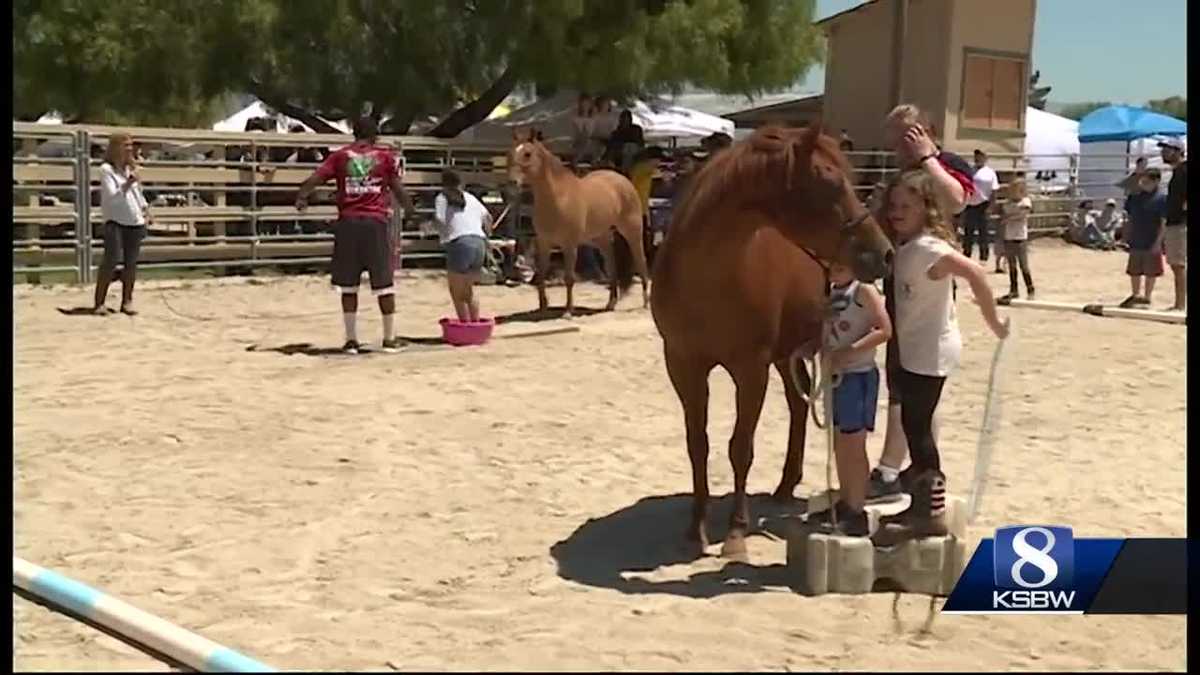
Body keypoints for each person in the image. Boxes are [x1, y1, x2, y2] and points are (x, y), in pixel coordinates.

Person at [874, 169, 1008, 537]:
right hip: (910, 347)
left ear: (925, 208)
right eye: (894, 205)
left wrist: (993, 321)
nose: (898, 211)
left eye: (907, 206)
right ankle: (920, 492)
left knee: (918, 428)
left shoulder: (930, 249)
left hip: (930, 351)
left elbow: (976, 274)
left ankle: (928, 511)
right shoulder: (905, 245)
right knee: (912, 423)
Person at [867, 104, 976, 504]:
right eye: (895, 138)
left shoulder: (944, 164)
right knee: (908, 385)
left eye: (907, 136)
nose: (899, 146)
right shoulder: (900, 176)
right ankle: (904, 465)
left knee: (914, 384)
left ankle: (893, 470)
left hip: (930, 283)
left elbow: (958, 201)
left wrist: (928, 157)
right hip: (901, 281)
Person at [295, 116, 412, 355]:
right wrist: (410, 210)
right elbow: (398, 188)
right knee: (384, 284)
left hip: (348, 223)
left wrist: (302, 196)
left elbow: (316, 179)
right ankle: (389, 339)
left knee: (348, 285)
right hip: (375, 223)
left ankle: (350, 341)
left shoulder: (340, 156)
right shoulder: (384, 157)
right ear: (375, 135)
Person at [806, 261, 892, 536]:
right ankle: (846, 501)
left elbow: (884, 329)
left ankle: (858, 509)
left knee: (854, 445)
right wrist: (808, 349)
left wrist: (850, 352)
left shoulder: (863, 291)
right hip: (836, 379)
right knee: (840, 444)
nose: (835, 266)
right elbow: (828, 335)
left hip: (857, 375)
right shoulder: (832, 294)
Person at [92, 133, 152, 316]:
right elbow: (112, 197)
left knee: (131, 264)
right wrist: (128, 183)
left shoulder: (129, 169)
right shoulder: (106, 170)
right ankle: (99, 302)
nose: (129, 148)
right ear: (115, 147)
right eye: (125, 145)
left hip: (134, 220)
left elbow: (137, 194)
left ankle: (127, 301)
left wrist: (146, 209)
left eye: (130, 145)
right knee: (110, 261)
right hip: (115, 220)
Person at [425, 170, 494, 322]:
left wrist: (429, 227)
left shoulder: (442, 198)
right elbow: (488, 218)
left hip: (459, 243)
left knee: (457, 291)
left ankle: (464, 325)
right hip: (479, 243)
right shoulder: (471, 198)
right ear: (461, 183)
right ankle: (475, 324)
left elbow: (440, 219)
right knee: (468, 290)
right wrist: (487, 234)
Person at [1120, 168, 1167, 309]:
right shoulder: (1135, 196)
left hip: (1152, 238)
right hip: (1136, 237)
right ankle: (1135, 295)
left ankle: (1147, 297)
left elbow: (1164, 222)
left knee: (1151, 271)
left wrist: (1159, 242)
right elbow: (1128, 217)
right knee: (1134, 269)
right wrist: (1125, 235)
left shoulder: (1161, 198)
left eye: (1147, 181)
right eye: (1142, 180)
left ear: (1156, 181)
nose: (1143, 183)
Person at [1159, 138, 1187, 311]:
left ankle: (1180, 305)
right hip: (1175, 221)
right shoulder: (1178, 172)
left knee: (1178, 265)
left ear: (1177, 151)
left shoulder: (1184, 171)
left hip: (1180, 222)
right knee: (1176, 264)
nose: (1163, 153)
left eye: (1167, 150)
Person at [999, 178, 1035, 300]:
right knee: (1012, 266)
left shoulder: (1025, 201)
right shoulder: (1007, 204)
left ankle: (1030, 289)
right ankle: (1014, 290)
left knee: (1023, 265)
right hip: (1009, 236)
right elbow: (1007, 215)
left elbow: (1023, 214)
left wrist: (1009, 218)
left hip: (1020, 237)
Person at [962, 149, 999, 267]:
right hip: (970, 204)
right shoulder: (970, 170)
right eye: (976, 156)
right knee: (968, 232)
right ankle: (966, 254)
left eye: (980, 156)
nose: (977, 158)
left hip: (983, 204)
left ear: (985, 158)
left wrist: (991, 206)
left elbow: (994, 191)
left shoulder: (990, 172)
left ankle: (984, 256)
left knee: (983, 232)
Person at [604, 109, 645, 175]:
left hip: (635, 149)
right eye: (622, 119)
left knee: (629, 147)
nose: (624, 121)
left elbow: (638, 141)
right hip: (620, 151)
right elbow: (611, 145)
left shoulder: (636, 129)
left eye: (626, 119)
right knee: (626, 149)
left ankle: (626, 171)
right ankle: (623, 170)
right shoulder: (616, 132)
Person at [570, 93, 595, 167]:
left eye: (587, 103)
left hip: (589, 141)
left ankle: (578, 159)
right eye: (583, 103)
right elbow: (576, 133)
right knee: (583, 138)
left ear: (590, 105)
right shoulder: (575, 119)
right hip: (578, 141)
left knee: (588, 140)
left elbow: (593, 132)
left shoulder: (593, 119)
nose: (585, 106)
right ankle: (577, 159)